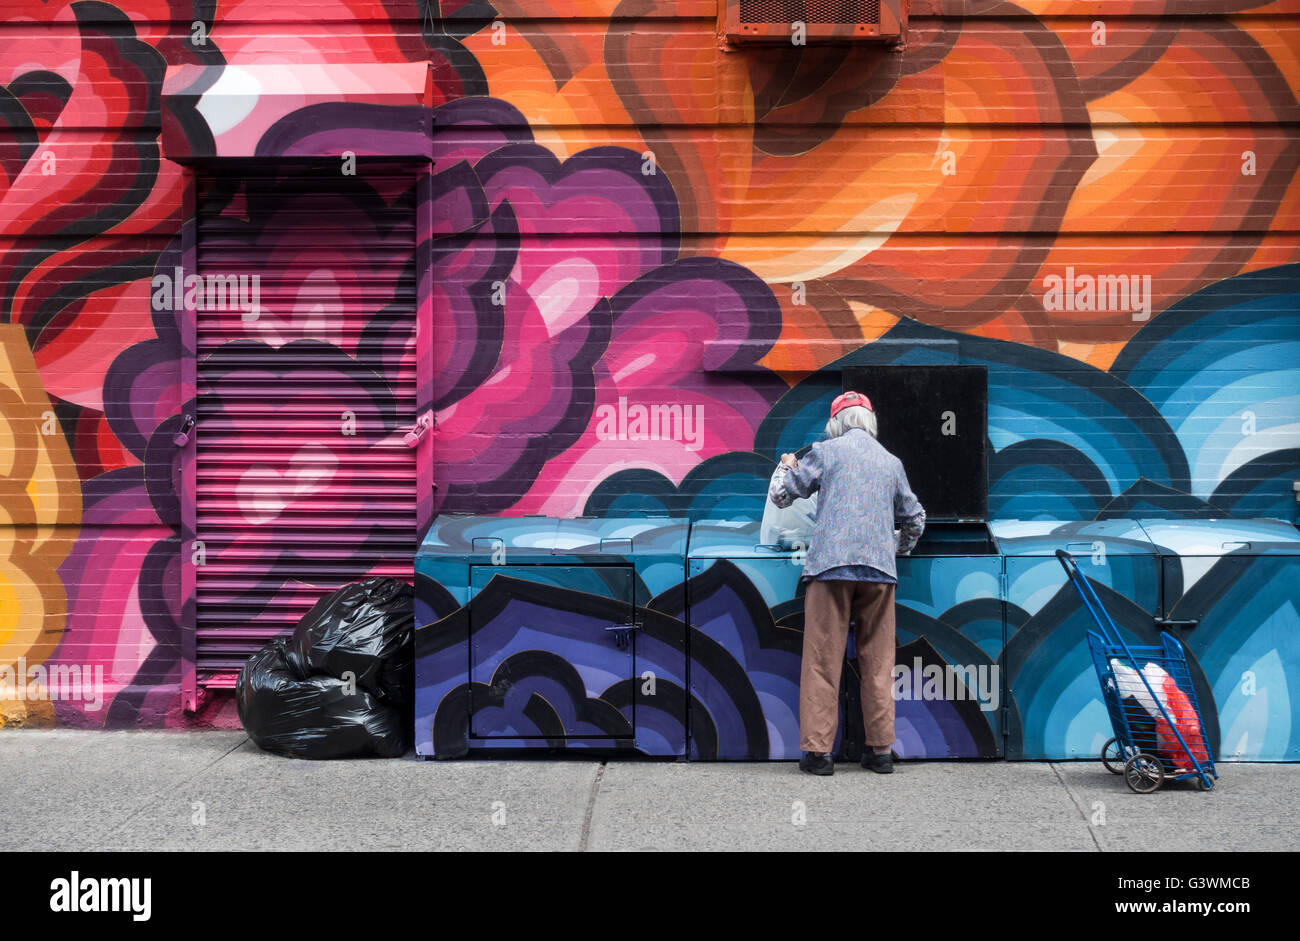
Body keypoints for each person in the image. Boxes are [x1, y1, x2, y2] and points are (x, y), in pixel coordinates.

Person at [768, 390, 925, 775]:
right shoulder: (891, 462)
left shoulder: (825, 452)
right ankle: (880, 752)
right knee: (879, 661)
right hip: (878, 571)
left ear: (836, 423)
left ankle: (819, 755)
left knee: (823, 659)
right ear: (870, 422)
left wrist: (787, 466)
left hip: (830, 567)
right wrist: (896, 550)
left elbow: (782, 497)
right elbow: (915, 518)